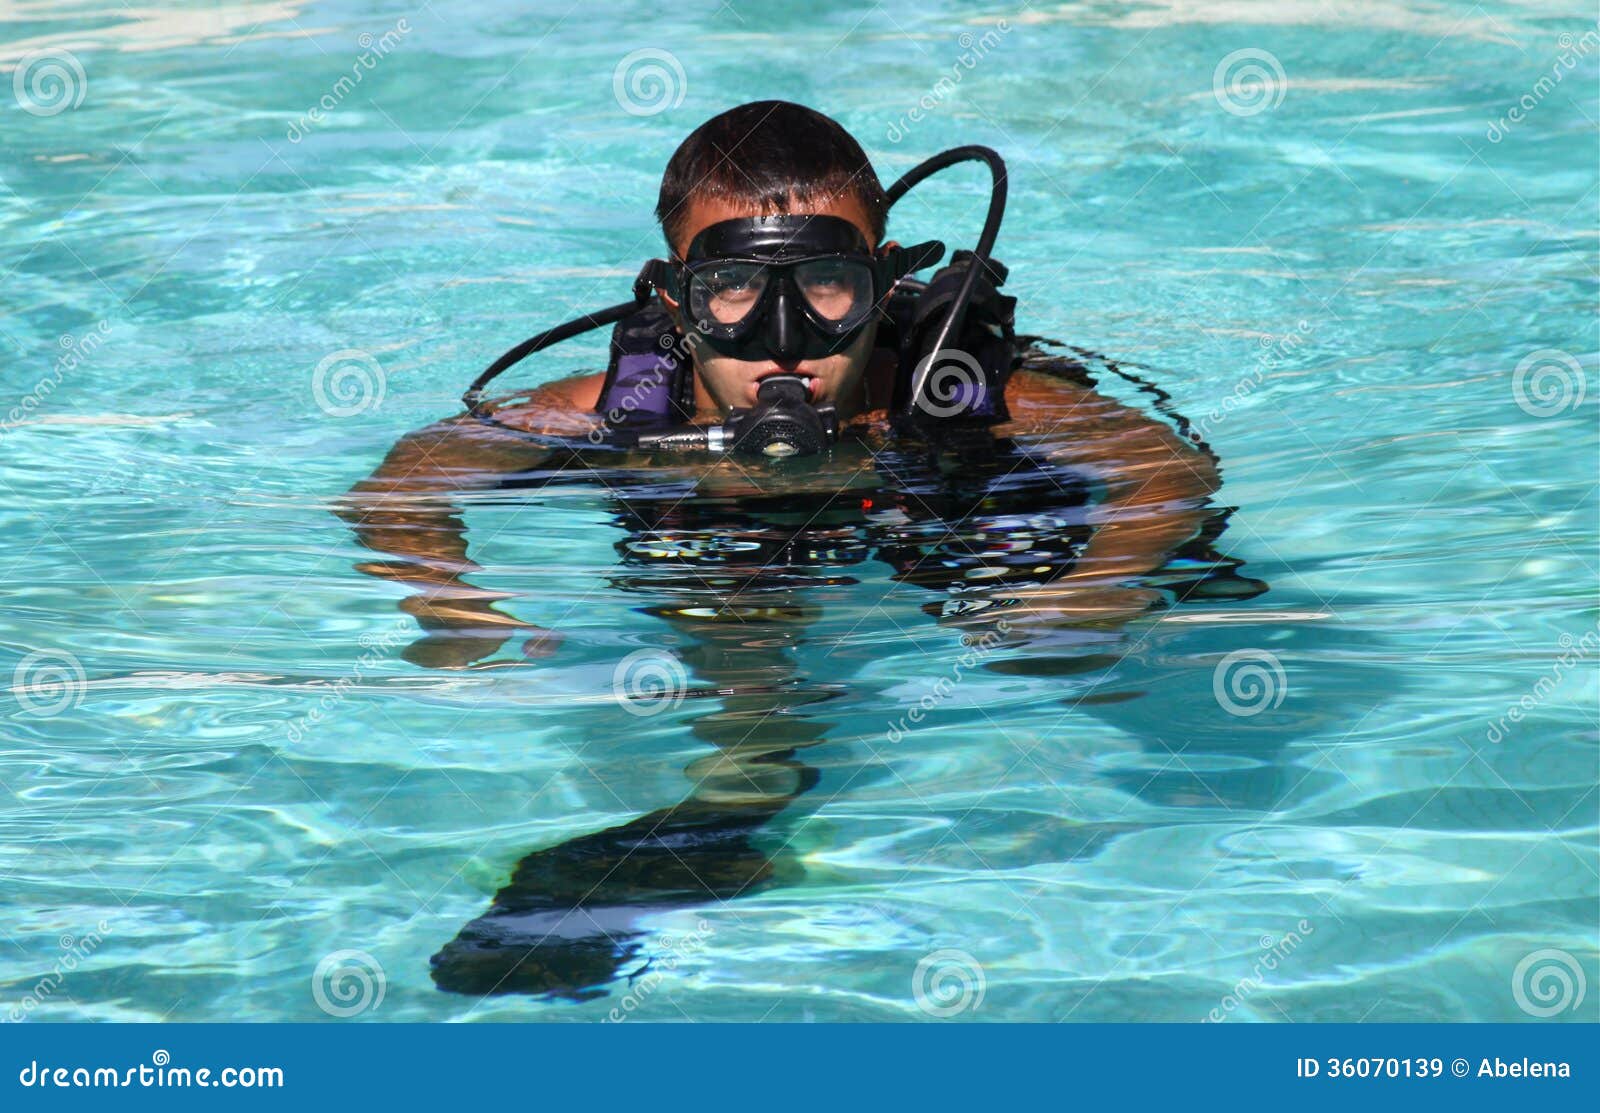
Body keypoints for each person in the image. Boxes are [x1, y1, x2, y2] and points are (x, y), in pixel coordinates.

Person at [336, 101, 1253, 1000]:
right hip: (726, 543)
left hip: (940, 506)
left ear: (883, 280)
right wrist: (445, 597)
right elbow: (403, 483)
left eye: (827, 284)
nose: (785, 343)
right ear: (675, 299)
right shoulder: (614, 408)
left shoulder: (951, 394)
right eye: (733, 288)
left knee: (1078, 660)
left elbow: (1168, 472)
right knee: (731, 596)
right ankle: (733, 808)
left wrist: (1101, 583)